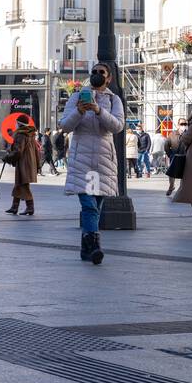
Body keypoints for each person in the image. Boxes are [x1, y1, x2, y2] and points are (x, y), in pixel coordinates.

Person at [59, 62, 124, 265]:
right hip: (82, 160)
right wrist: (79, 111)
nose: (97, 75)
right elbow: (64, 126)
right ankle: (94, 246)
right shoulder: (77, 96)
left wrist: (98, 110)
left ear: (109, 78)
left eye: (101, 73)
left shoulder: (115, 100)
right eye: (94, 72)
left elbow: (117, 126)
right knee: (89, 206)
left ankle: (86, 249)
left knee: (96, 205)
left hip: (103, 161)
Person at [5, 119, 41, 216]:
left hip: (23, 164)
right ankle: (14, 207)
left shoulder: (20, 135)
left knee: (23, 185)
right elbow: (36, 151)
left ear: (19, 124)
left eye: (16, 123)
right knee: (19, 184)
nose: (15, 125)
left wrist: (7, 157)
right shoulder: (30, 134)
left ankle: (30, 207)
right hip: (30, 163)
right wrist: (38, 165)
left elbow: (18, 151)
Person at [164, 118, 187, 197]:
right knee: (171, 173)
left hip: (185, 156)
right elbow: (166, 145)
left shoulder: (189, 134)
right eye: (182, 124)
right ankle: (171, 186)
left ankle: (181, 189)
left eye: (185, 124)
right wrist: (170, 154)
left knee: (184, 174)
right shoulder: (172, 134)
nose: (183, 126)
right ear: (178, 125)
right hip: (174, 156)